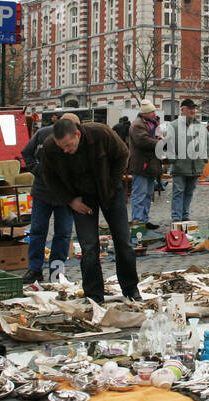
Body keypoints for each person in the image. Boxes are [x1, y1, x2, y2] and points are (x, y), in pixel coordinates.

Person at [38, 116, 140, 304]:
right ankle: (93, 295)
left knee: (123, 242)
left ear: (77, 134)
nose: (66, 151)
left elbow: (123, 154)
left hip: (109, 191)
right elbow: (50, 178)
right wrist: (70, 201)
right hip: (81, 198)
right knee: (89, 247)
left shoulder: (100, 133)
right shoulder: (51, 148)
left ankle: (131, 289)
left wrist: (111, 185)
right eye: (62, 148)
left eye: (69, 145)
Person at [20, 113, 75, 285]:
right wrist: (37, 170)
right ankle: (35, 269)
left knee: (63, 234)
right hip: (42, 192)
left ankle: (56, 271)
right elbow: (26, 153)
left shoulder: (78, 140)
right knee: (37, 231)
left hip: (65, 195)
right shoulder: (43, 134)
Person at [165, 98, 208, 223]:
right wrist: (174, 160)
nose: (192, 111)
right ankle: (176, 217)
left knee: (189, 192)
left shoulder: (200, 126)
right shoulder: (173, 126)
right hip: (180, 166)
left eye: (193, 108)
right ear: (182, 109)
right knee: (178, 192)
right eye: (190, 108)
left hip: (195, 166)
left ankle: (185, 215)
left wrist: (204, 159)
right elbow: (169, 145)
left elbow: (208, 143)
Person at [127, 100, 161, 229]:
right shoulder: (137, 125)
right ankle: (137, 222)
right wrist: (159, 143)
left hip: (149, 164)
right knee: (139, 195)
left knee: (147, 194)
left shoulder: (152, 123)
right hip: (141, 165)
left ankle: (144, 220)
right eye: (152, 111)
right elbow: (143, 141)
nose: (154, 113)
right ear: (146, 113)